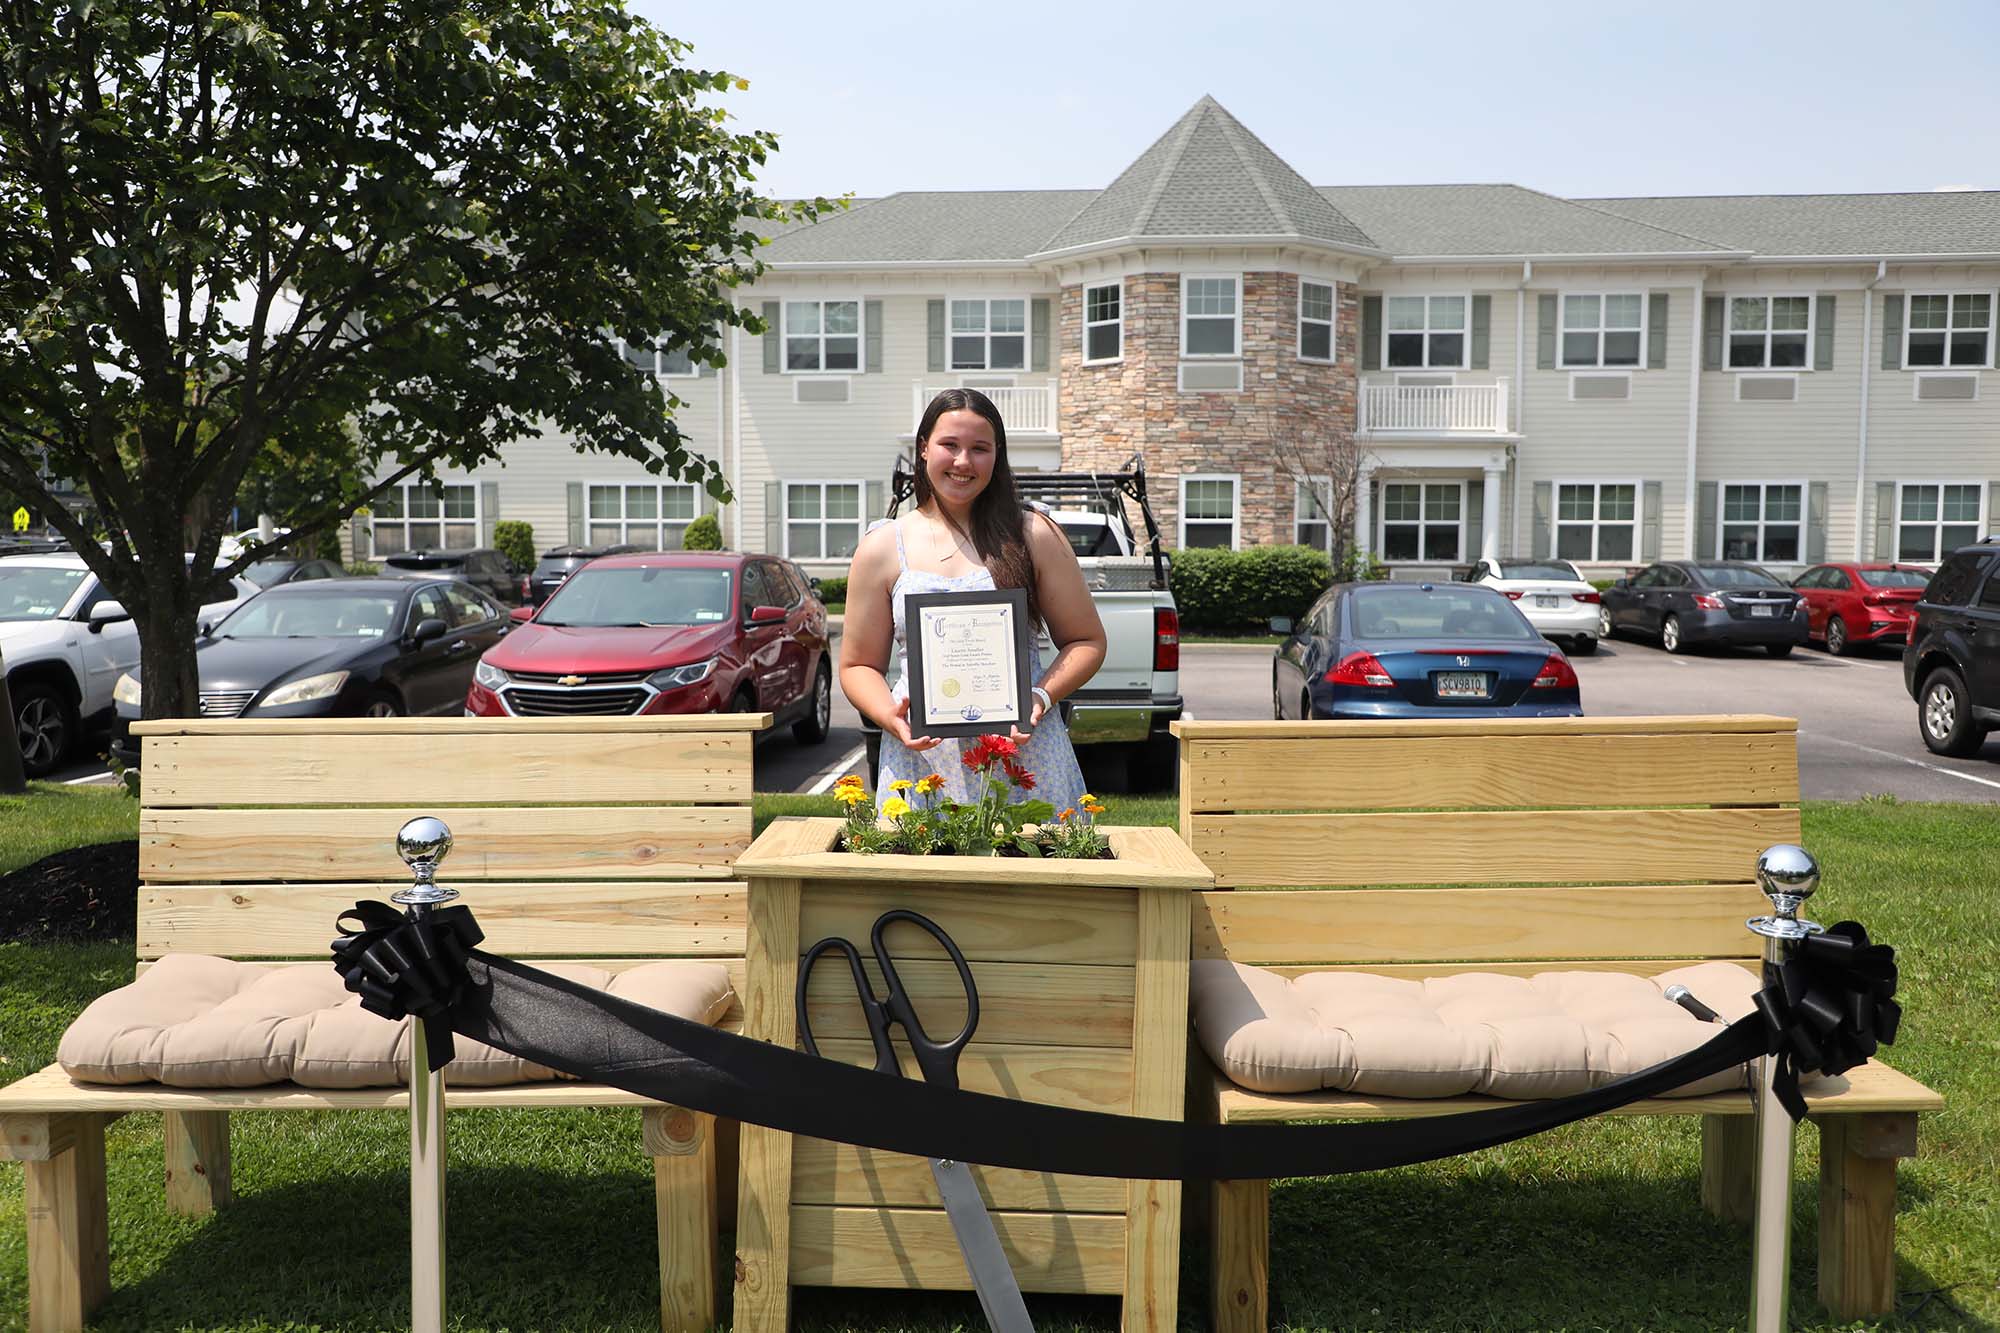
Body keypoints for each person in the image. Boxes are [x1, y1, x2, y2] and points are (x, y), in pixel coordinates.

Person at [840, 388, 1105, 812]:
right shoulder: (883, 546)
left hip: (1026, 753)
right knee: (921, 878)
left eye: (979, 449)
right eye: (950, 445)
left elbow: (1087, 641)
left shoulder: (1033, 535)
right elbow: (858, 665)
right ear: (924, 448)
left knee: (1037, 873)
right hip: (923, 759)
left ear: (996, 456)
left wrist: (1039, 697)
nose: (963, 462)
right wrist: (890, 716)